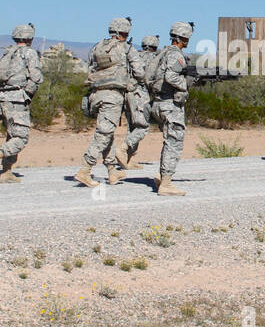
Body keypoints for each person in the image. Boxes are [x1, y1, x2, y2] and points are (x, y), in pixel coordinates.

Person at [73, 17, 145, 187]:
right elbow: (140, 73)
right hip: (112, 96)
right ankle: (85, 169)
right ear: (125, 33)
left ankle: (112, 171)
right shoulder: (127, 48)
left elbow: (90, 68)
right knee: (104, 133)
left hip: (95, 95)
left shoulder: (97, 47)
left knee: (108, 134)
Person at [0, 23, 43, 183]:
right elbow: (36, 78)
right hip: (17, 99)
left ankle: (7, 172)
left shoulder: (7, 53)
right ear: (30, 37)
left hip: (1, 99)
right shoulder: (29, 53)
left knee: (11, 135)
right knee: (21, 138)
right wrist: (27, 94)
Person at [147, 22, 193, 196]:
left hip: (158, 102)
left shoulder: (163, 53)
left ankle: (162, 177)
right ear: (184, 38)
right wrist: (187, 83)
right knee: (174, 141)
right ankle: (166, 183)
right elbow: (171, 76)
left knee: (169, 141)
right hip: (170, 105)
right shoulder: (176, 55)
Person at [121, 34, 160, 169]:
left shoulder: (134, 55)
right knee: (142, 126)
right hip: (140, 93)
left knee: (132, 126)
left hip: (127, 93)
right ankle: (123, 149)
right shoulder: (154, 58)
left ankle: (129, 160)